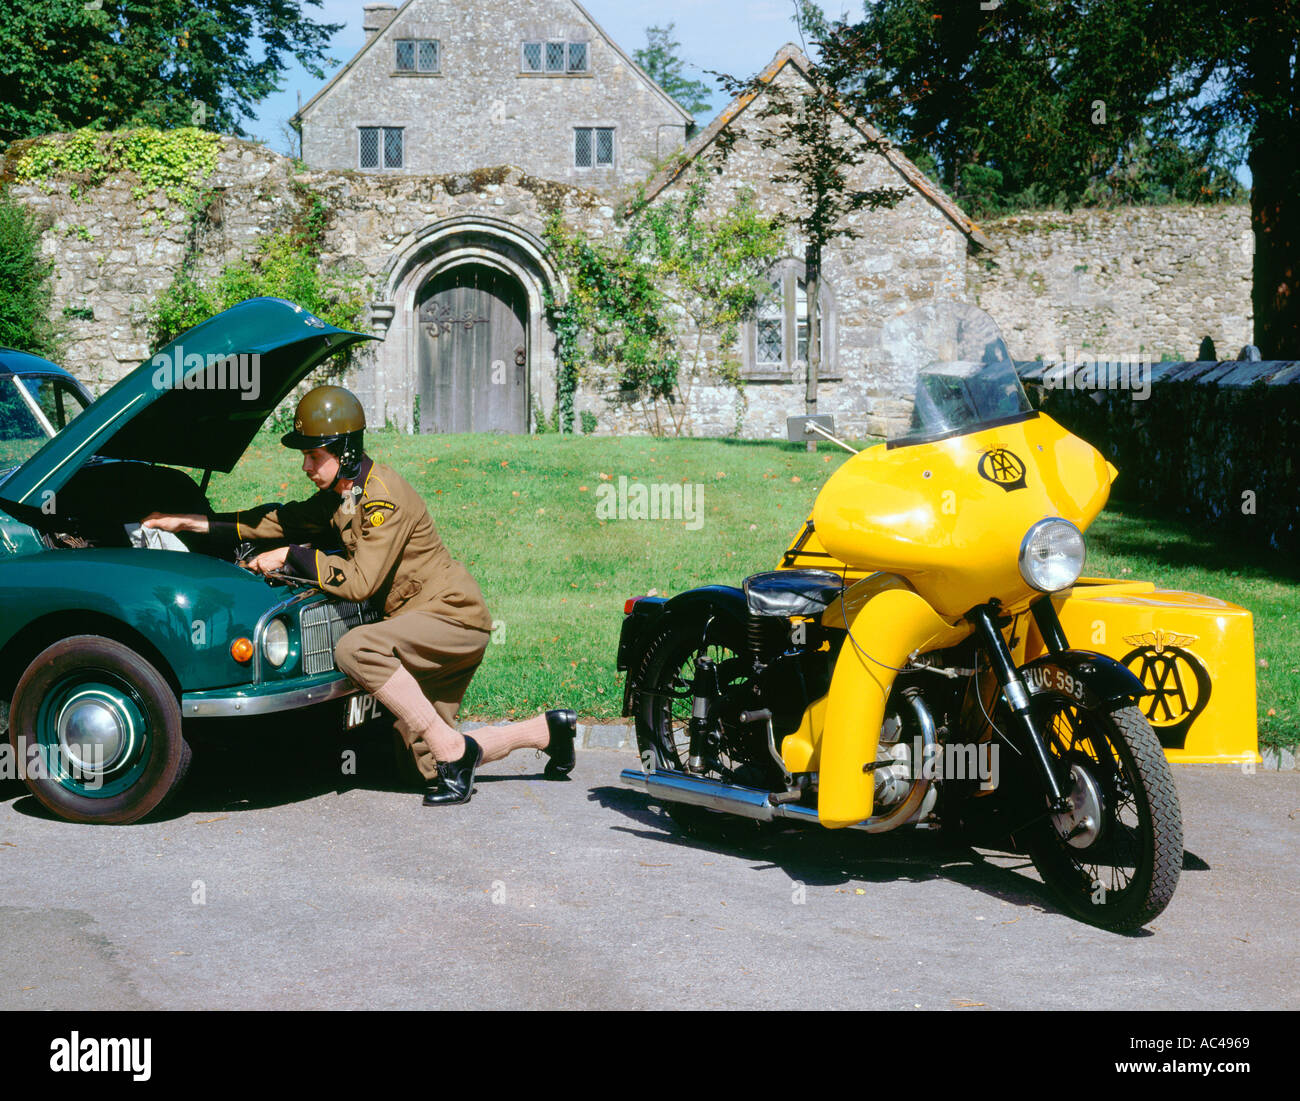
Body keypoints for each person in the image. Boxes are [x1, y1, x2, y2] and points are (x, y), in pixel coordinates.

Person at [142, 385, 576, 807]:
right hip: (420, 624)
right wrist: (187, 523)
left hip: (452, 619)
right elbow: (280, 520)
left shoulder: (382, 501)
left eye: (315, 455)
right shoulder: (345, 495)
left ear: (345, 451)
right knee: (419, 765)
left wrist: (293, 556)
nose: (306, 466)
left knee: (356, 649)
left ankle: (452, 753)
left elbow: (360, 582)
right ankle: (546, 732)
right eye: (304, 455)